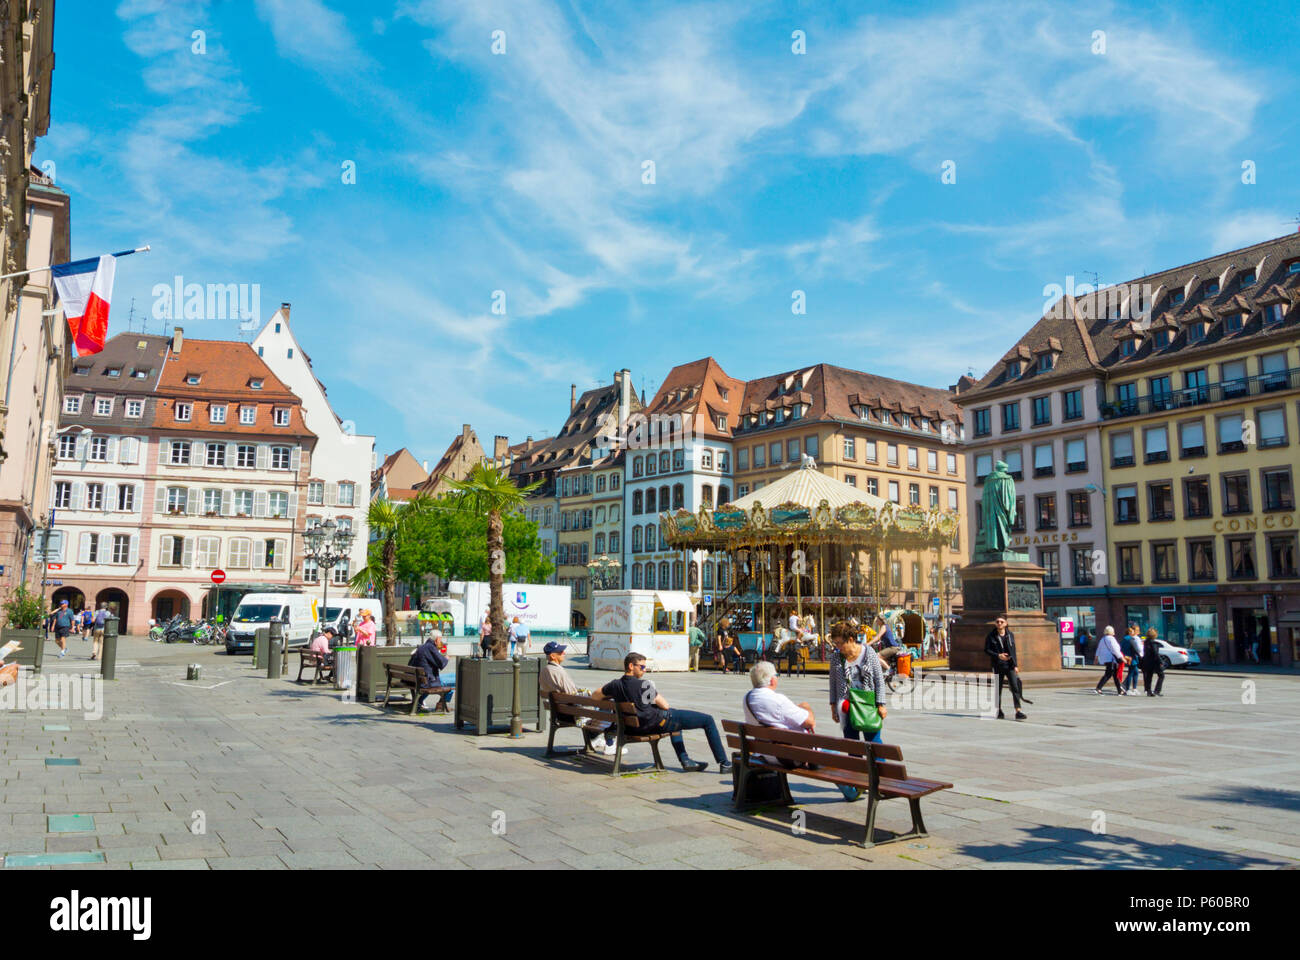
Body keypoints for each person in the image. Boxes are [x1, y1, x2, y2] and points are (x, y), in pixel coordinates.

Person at [592, 651, 731, 772]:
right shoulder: (644, 684)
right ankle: (724, 763)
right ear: (630, 666)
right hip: (657, 722)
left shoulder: (614, 684)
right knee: (708, 720)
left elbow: (595, 696)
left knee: (677, 720)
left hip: (633, 728)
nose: (644, 670)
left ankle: (686, 760)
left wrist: (613, 695)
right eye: (642, 667)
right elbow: (664, 705)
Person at [828, 620, 888, 801]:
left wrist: (881, 704)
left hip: (868, 705)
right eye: (835, 643)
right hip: (846, 707)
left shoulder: (869, 653)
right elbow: (832, 683)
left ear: (851, 639)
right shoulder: (836, 657)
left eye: (840, 643)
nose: (837, 647)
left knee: (874, 744)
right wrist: (833, 705)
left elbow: (879, 679)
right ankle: (857, 782)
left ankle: (882, 783)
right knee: (852, 746)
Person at [539, 641, 619, 755]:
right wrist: (590, 695)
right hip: (572, 714)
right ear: (553, 655)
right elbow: (572, 694)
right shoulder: (558, 671)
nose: (564, 653)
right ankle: (609, 743)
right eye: (561, 652)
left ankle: (594, 737)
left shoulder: (544, 671)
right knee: (608, 704)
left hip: (559, 712)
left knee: (600, 705)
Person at [743, 661, 816, 766]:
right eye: (776, 675)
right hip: (789, 756)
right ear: (772, 680)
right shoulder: (778, 700)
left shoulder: (747, 698)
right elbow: (810, 722)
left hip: (765, 752)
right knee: (835, 756)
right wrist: (806, 707)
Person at [984, 615, 1031, 720]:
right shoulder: (991, 636)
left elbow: (1013, 651)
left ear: (1006, 623)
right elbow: (986, 650)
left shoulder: (1010, 635)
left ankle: (1018, 711)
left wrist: (1015, 665)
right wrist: (998, 655)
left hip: (1009, 665)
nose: (999, 623)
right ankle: (998, 710)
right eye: (997, 622)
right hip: (997, 665)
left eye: (1001, 622)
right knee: (998, 689)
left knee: (1015, 687)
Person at [408, 629, 452, 711]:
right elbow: (441, 663)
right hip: (428, 680)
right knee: (452, 683)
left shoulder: (423, 646)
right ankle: (440, 705)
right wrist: (446, 658)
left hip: (419, 678)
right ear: (437, 639)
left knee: (450, 679)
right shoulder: (430, 647)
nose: (441, 641)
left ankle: (419, 701)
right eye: (440, 638)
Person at [1094, 626, 1124, 694]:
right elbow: (1115, 649)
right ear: (1111, 631)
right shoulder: (1112, 639)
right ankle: (1098, 688)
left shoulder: (1103, 639)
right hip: (1112, 659)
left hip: (1106, 659)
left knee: (1114, 674)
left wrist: (1096, 658)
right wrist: (1121, 657)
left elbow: (1098, 649)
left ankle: (1119, 690)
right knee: (1108, 674)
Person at [1140, 628, 1166, 696]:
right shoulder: (1153, 643)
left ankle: (1148, 691)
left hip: (1146, 661)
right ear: (1155, 635)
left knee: (1149, 676)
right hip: (1154, 662)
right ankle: (1157, 691)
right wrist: (1161, 661)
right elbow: (1155, 653)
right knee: (1161, 675)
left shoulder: (1146, 642)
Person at [1121, 625, 1142, 694]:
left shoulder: (1124, 639)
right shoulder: (1131, 639)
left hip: (1128, 657)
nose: (1134, 632)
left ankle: (1134, 688)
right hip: (1132, 657)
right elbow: (1136, 649)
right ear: (1130, 632)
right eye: (1133, 631)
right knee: (1131, 673)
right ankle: (1127, 689)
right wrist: (1140, 655)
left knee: (1135, 672)